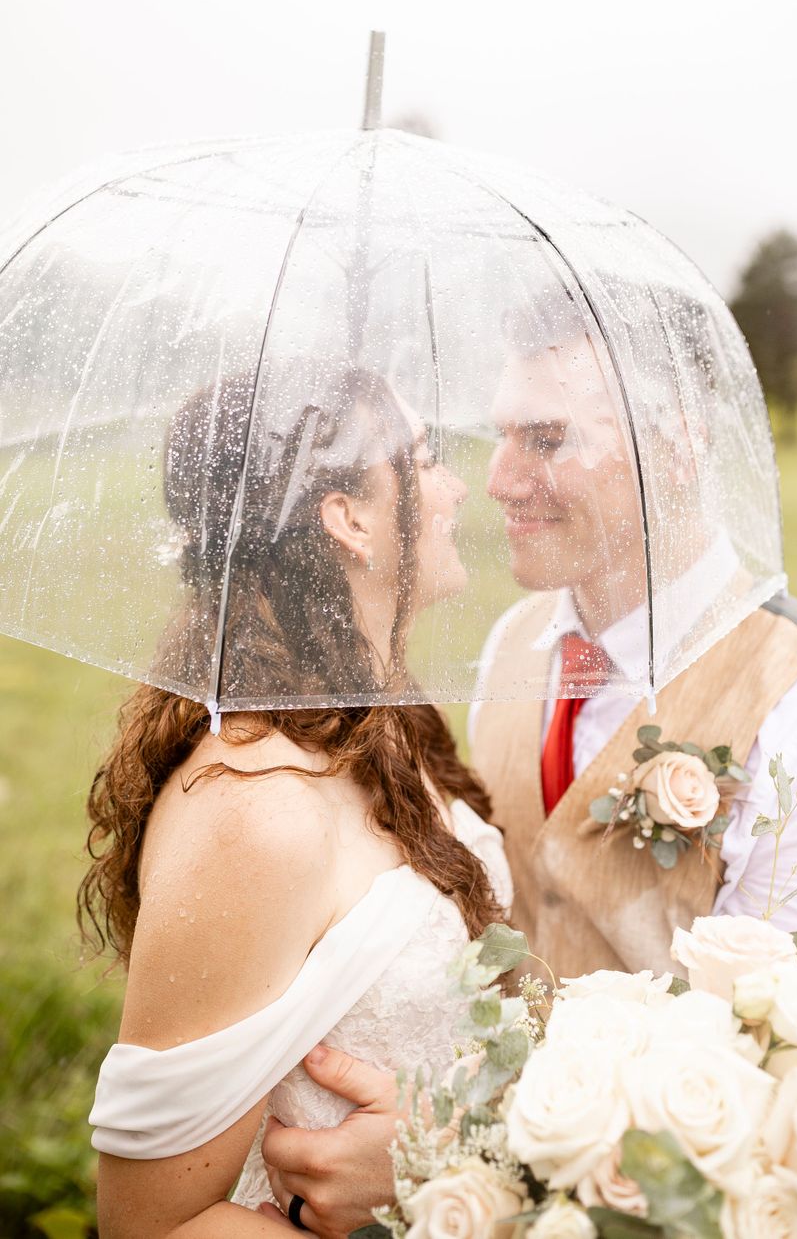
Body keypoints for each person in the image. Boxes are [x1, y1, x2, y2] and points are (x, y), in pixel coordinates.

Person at [261, 281, 797, 1239]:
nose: (495, 478)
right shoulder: (510, 646)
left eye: (546, 439)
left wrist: (443, 1147)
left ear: (681, 442)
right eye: (498, 435)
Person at [83, 363, 512, 1238]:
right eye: (425, 461)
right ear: (348, 518)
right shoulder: (259, 809)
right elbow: (151, 1224)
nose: (459, 487)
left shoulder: (387, 729)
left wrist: (461, 1165)